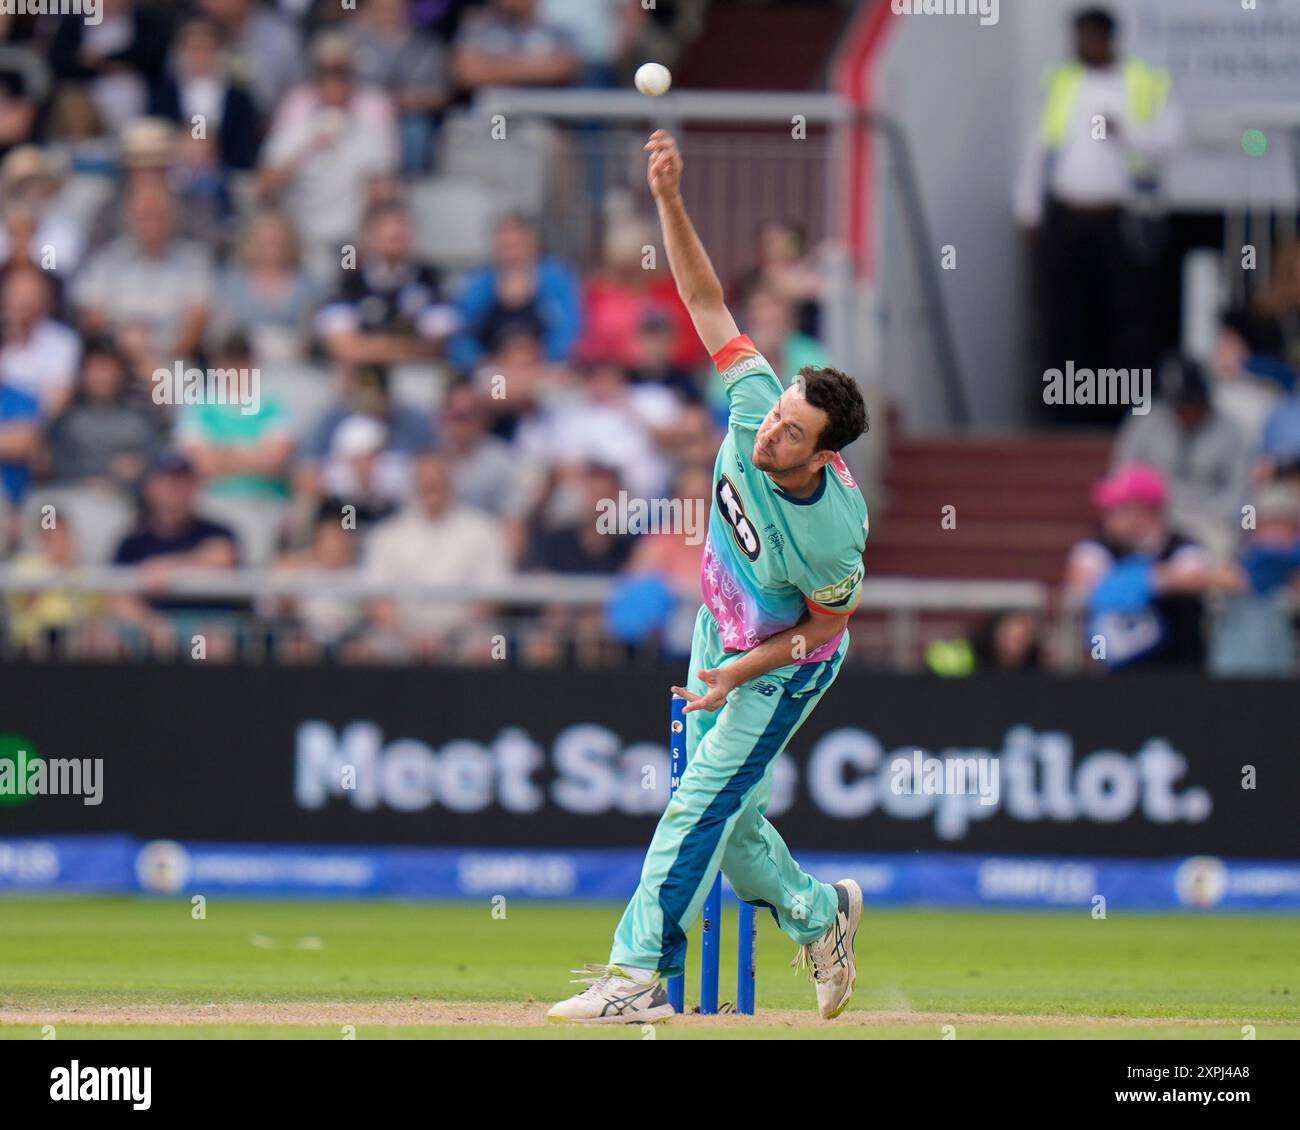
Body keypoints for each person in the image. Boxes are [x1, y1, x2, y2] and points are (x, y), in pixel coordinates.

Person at [548, 130, 870, 1025]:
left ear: (825, 455)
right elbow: (702, 295)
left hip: (778, 664)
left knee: (696, 804)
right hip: (715, 628)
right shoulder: (759, 394)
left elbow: (825, 631)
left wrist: (740, 673)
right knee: (724, 825)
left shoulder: (834, 533)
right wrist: (670, 199)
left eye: (794, 436)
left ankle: (634, 974)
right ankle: (817, 914)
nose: (771, 436)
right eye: (778, 421)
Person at [1014, 6, 1183, 418]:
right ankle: (1066, 411)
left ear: (1108, 38)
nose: (1080, 46)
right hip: (1068, 216)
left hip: (1118, 219)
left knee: (1124, 316)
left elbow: (1168, 141)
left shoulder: (1139, 82)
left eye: (1087, 37)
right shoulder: (1064, 82)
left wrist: (1126, 131)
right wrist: (1028, 208)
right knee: (1068, 317)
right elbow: (1038, 150)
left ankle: (1119, 411)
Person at [1064, 464, 1214, 670]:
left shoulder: (1183, 546)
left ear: (1147, 512)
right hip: (1111, 678)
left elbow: (1198, 577)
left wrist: (1147, 580)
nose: (1109, 516)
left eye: (1119, 509)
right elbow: (1082, 579)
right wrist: (1126, 583)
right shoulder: (1098, 545)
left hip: (1178, 674)